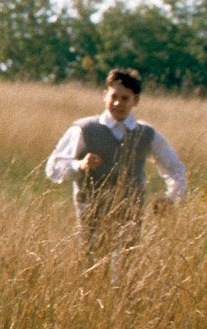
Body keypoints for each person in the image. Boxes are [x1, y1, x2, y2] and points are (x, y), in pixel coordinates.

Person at [43, 67, 186, 264]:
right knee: (91, 270)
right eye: (113, 96)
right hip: (90, 216)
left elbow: (175, 167)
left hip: (131, 217)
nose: (118, 103)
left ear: (135, 101)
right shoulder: (85, 129)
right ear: (104, 96)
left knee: (127, 272)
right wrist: (79, 165)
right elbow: (53, 166)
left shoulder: (146, 133)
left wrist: (172, 199)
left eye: (125, 98)